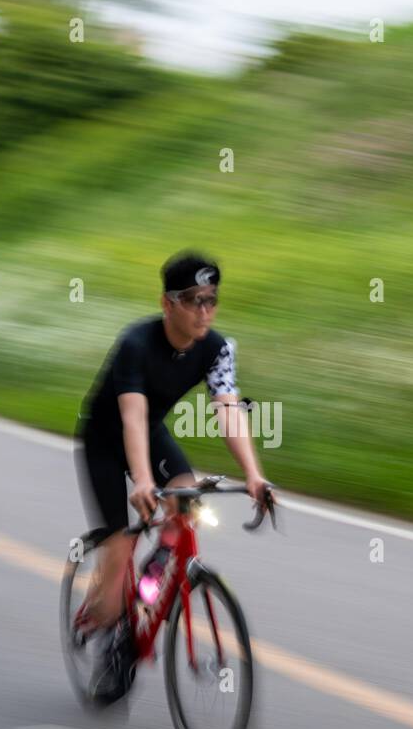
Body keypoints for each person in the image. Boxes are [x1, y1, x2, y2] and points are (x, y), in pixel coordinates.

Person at [73, 251, 270, 701]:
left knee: (184, 498)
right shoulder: (136, 344)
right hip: (106, 438)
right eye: (192, 300)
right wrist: (141, 480)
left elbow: (228, 411)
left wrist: (254, 475)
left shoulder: (217, 348)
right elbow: (133, 417)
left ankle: (154, 577)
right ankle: (111, 633)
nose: (204, 310)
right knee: (121, 544)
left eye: (211, 299)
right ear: (167, 303)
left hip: (150, 433)